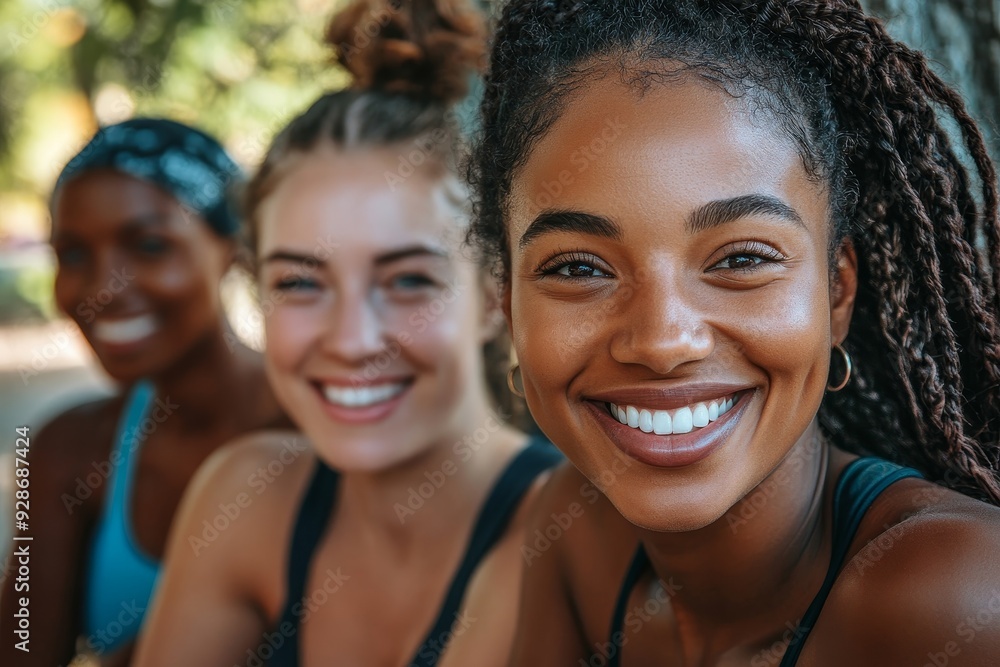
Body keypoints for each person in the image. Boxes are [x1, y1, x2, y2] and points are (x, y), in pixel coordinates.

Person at [466, 0, 1000, 664]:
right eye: (578, 268)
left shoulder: (958, 598)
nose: (662, 342)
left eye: (742, 259)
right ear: (511, 308)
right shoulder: (574, 530)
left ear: (836, 293)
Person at [133, 1, 560, 666]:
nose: (353, 340)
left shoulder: (568, 537)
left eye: (408, 280)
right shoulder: (245, 497)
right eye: (300, 283)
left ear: (493, 297)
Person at [0, 118, 290, 667]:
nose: (102, 288)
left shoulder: (325, 439)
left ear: (232, 247)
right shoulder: (68, 450)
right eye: (74, 255)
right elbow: (21, 645)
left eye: (150, 246)